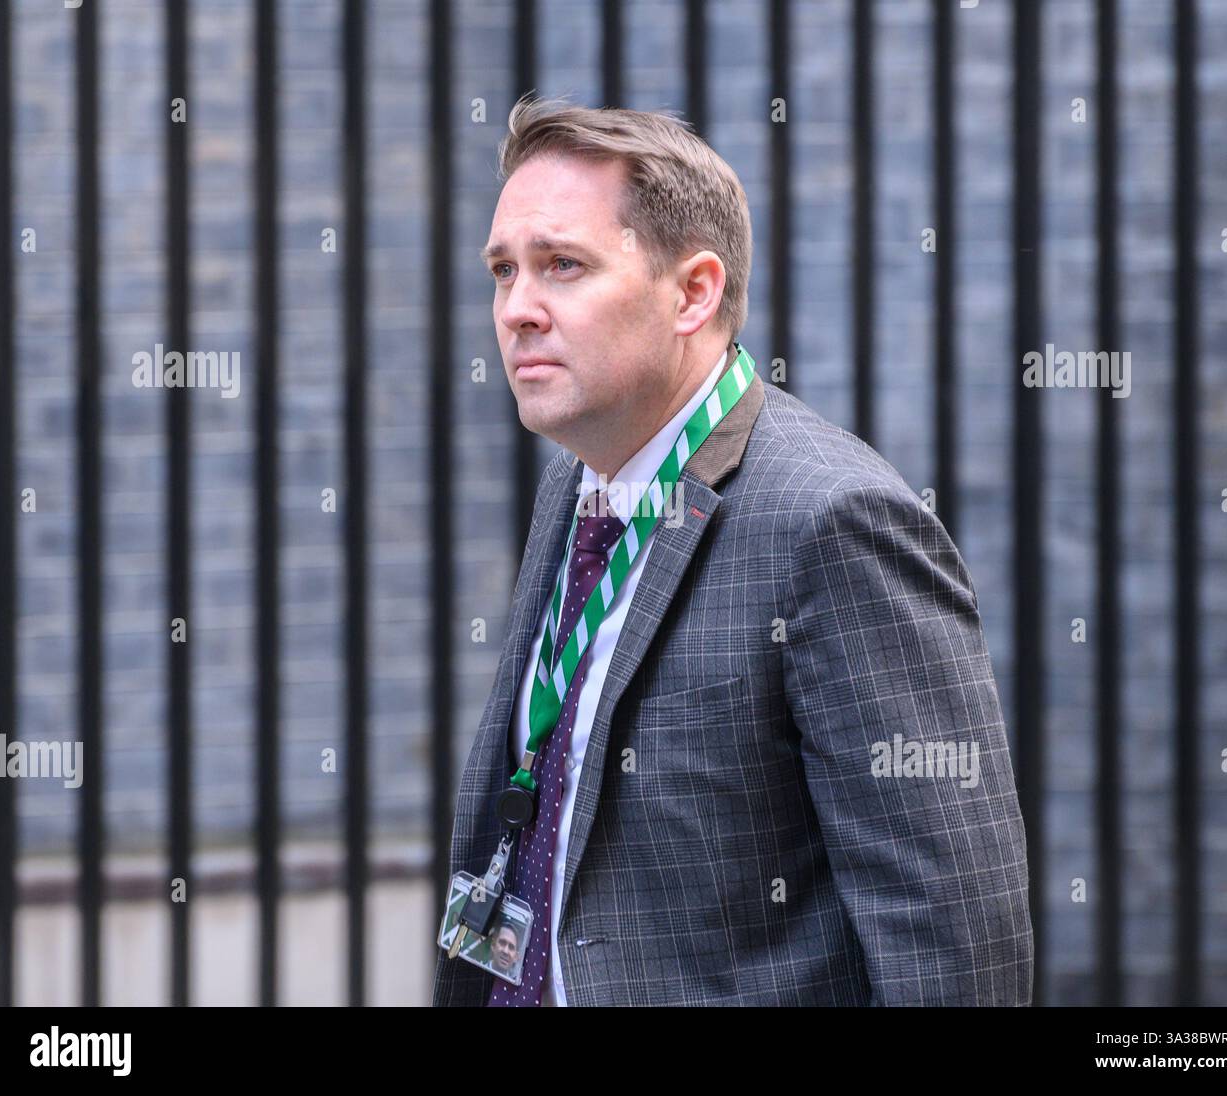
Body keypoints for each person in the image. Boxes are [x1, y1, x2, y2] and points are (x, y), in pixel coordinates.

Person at [434, 94, 1033, 1007]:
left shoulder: (837, 525)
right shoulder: (579, 478)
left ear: (694, 291)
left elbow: (954, 948)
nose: (517, 309)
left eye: (562, 266)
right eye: (503, 270)